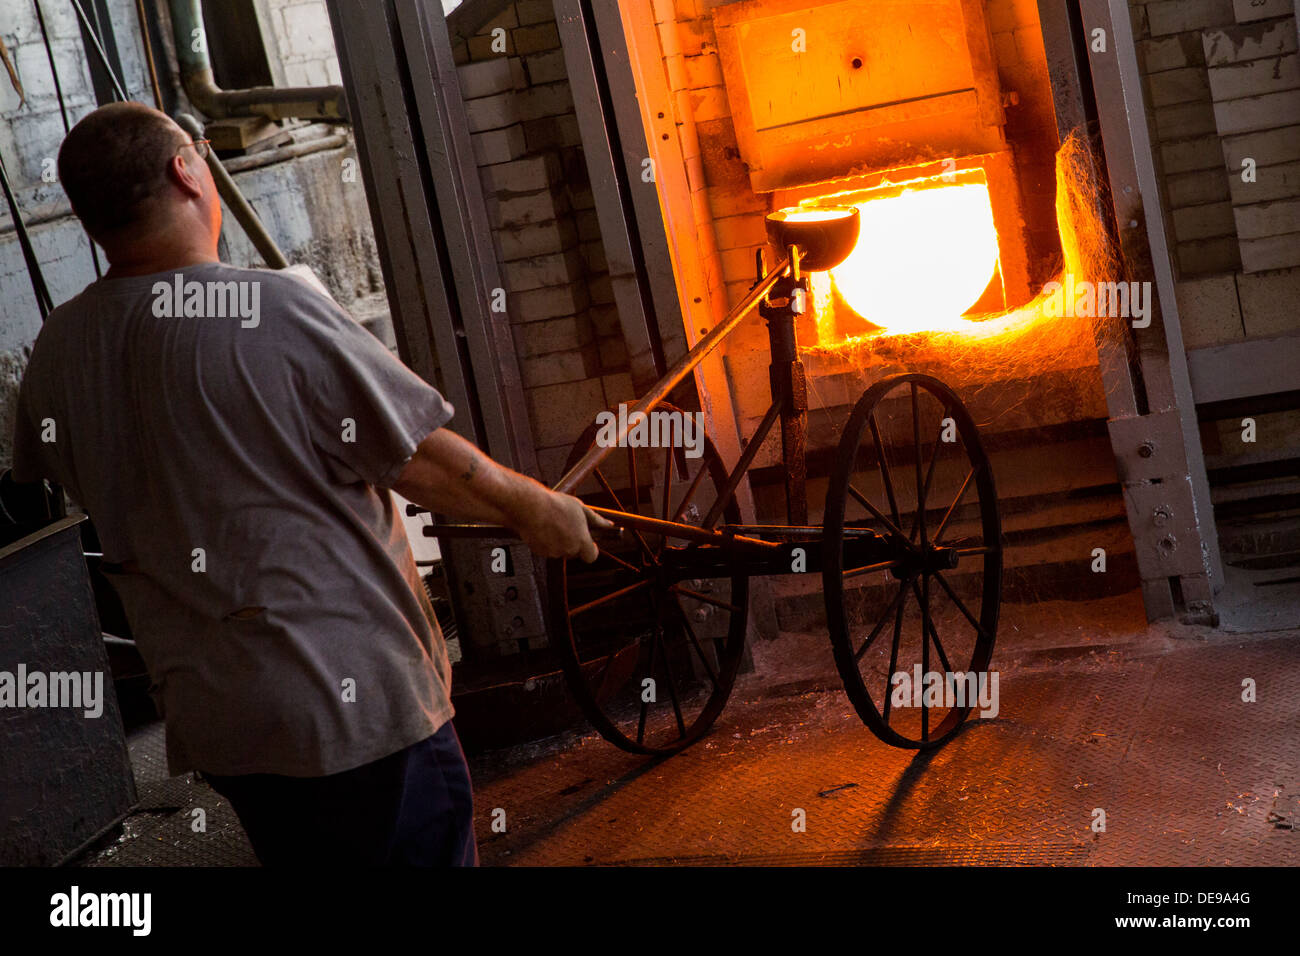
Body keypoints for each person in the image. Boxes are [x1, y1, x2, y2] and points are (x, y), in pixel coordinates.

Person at [11, 101, 608, 866]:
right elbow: (417, 458)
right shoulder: (272, 309)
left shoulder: (58, 351)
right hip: (347, 707)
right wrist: (539, 509)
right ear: (186, 171)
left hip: (222, 723)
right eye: (196, 149)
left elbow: (77, 482)